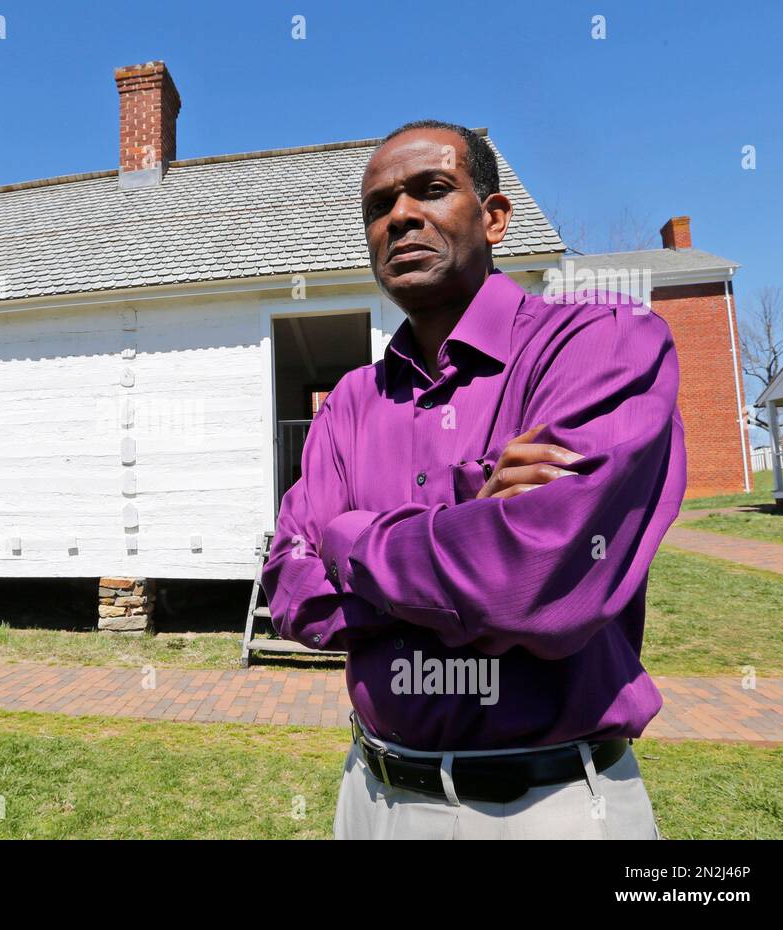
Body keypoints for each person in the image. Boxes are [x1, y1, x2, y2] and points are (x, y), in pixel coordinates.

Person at [260, 119, 685, 839]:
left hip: (553, 804)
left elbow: (528, 581)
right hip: (376, 798)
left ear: (493, 217)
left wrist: (351, 538)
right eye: (379, 206)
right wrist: (468, 523)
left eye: (431, 190)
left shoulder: (601, 346)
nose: (400, 216)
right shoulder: (349, 405)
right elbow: (291, 592)